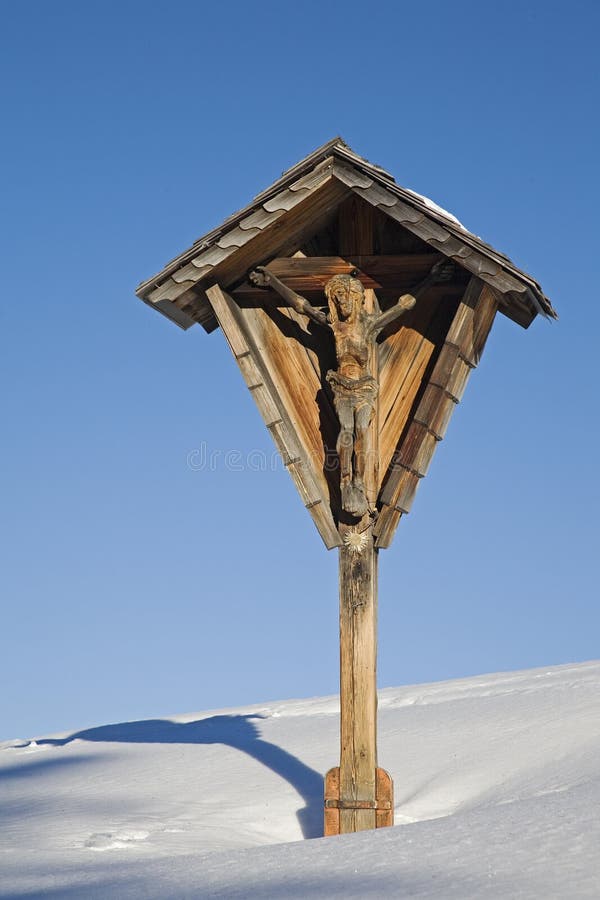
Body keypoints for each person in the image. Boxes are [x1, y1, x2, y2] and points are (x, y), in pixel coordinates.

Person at [250, 259, 452, 517]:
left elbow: (403, 306)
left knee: (363, 431)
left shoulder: (368, 325)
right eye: (338, 296)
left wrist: (431, 279)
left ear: (357, 298)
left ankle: (361, 482)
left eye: (348, 295)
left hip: (364, 387)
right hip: (342, 387)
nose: (344, 301)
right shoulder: (335, 327)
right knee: (346, 430)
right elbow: (301, 306)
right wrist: (273, 283)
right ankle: (346, 482)